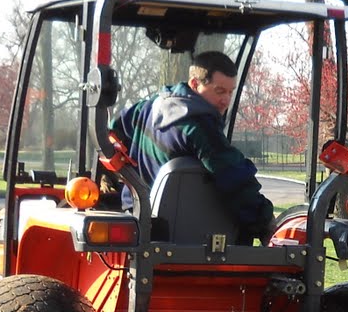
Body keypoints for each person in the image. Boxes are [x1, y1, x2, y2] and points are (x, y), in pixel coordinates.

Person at [112, 50, 275, 242]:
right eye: (219, 91)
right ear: (195, 84)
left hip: (135, 216)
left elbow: (112, 133)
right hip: (179, 233)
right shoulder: (198, 127)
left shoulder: (149, 106)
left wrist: (119, 174)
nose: (226, 101)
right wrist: (265, 221)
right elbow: (235, 180)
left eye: (231, 92)